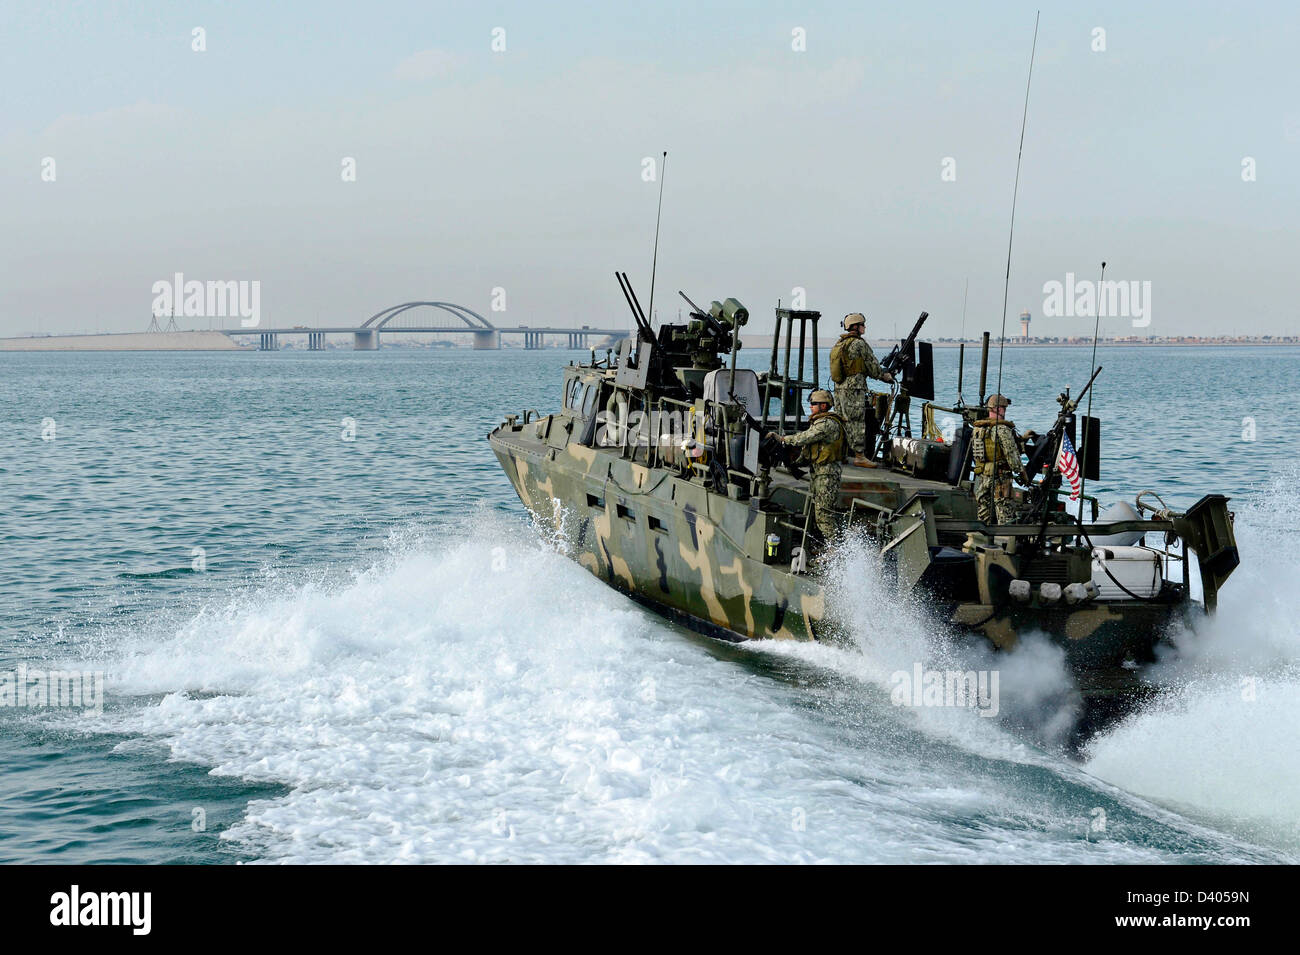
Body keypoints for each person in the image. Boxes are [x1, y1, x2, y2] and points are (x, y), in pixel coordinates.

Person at [770, 390, 847, 541]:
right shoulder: (820, 422)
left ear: (823, 406)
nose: (810, 407)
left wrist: (783, 439)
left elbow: (805, 437)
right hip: (819, 474)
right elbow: (810, 449)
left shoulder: (827, 424)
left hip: (827, 475)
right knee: (816, 512)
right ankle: (825, 547)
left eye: (813, 404)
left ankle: (836, 553)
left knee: (824, 515)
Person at [829, 313, 894, 456]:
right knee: (857, 421)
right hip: (854, 390)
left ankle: (841, 453)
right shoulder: (859, 344)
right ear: (856, 327)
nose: (864, 327)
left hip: (839, 389)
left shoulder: (840, 343)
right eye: (862, 324)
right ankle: (859, 456)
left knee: (841, 421)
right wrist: (886, 376)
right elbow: (874, 368)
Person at [971, 394, 1031, 525]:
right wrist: (1023, 474)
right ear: (997, 409)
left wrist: (1021, 440)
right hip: (1000, 479)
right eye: (1003, 407)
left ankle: (980, 540)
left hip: (983, 477)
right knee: (1005, 516)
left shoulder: (979, 428)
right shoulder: (1002, 429)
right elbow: (1012, 456)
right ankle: (1005, 542)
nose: (1005, 411)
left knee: (983, 515)